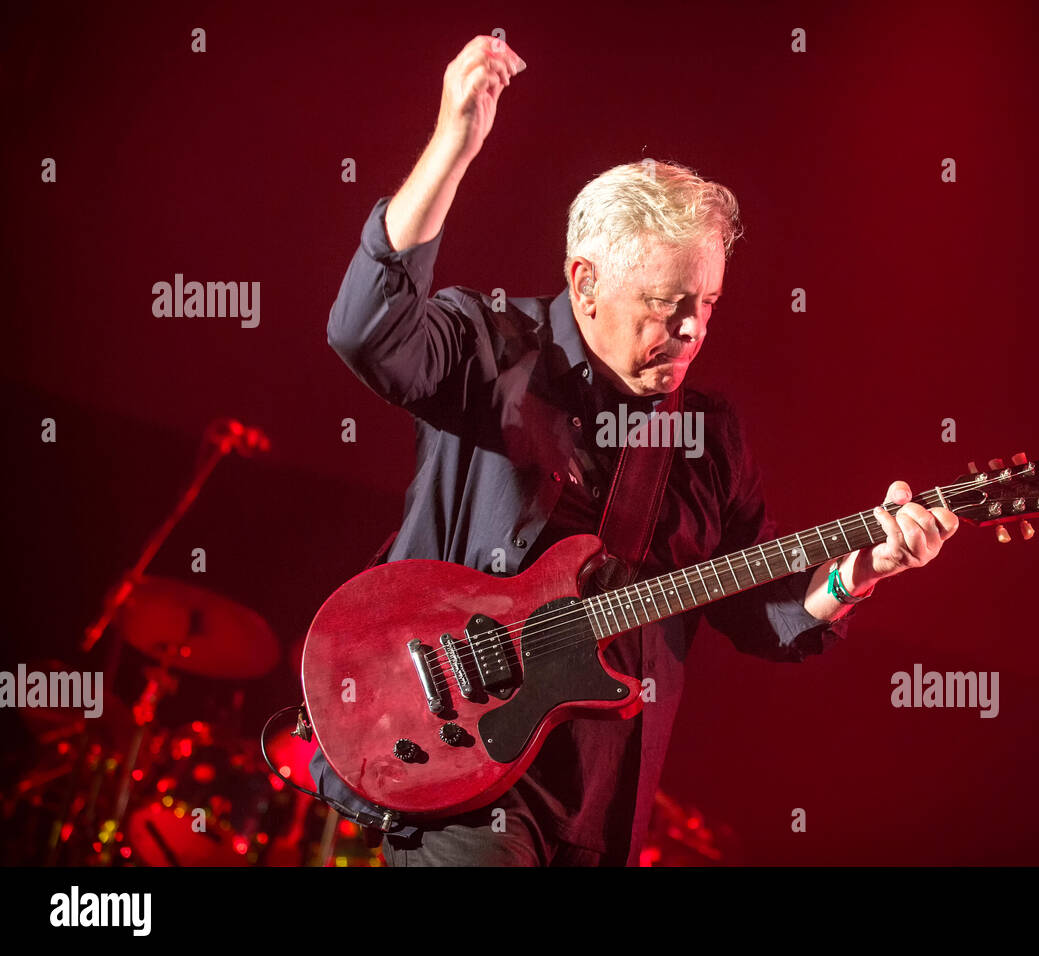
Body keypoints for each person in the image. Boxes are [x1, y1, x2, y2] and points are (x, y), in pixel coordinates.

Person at [309, 35, 959, 867]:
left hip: (600, 812)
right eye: (665, 303)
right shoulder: (493, 349)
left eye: (709, 302)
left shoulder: (707, 439)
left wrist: (858, 572)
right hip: (459, 780)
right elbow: (365, 329)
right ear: (585, 282)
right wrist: (453, 145)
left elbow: (760, 609)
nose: (690, 329)